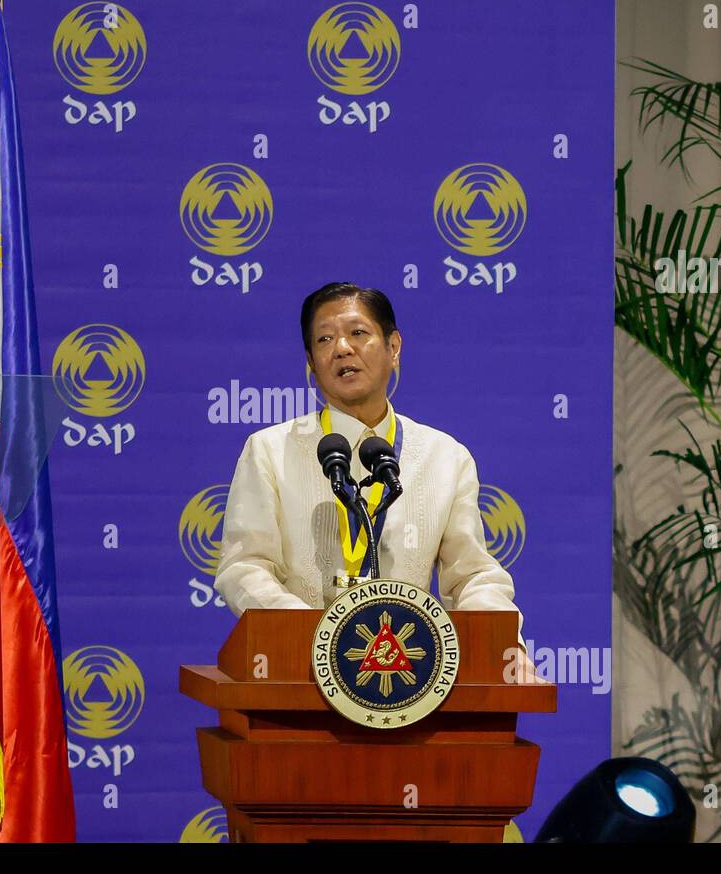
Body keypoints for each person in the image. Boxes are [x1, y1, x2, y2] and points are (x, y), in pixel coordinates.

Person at [214, 282, 535, 678]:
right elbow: (244, 567)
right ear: (312, 364)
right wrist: (314, 635)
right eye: (324, 339)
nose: (342, 348)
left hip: (410, 677)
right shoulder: (269, 450)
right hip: (298, 672)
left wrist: (503, 645)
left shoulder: (445, 457)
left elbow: (471, 574)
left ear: (393, 347)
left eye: (358, 333)